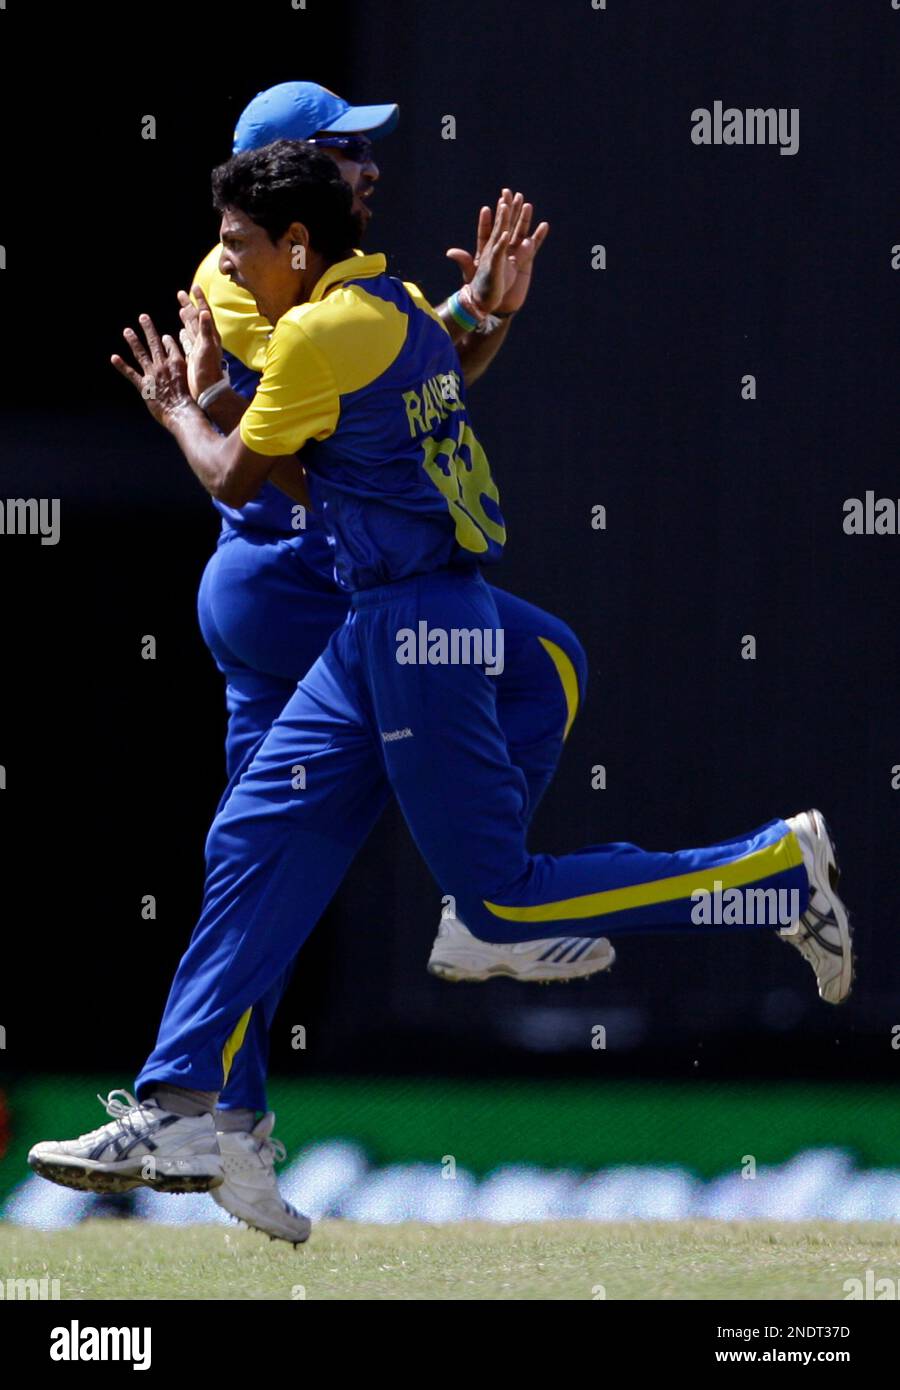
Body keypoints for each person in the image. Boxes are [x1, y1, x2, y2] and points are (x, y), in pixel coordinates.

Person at [28, 143, 853, 1245]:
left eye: (240, 243)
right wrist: (474, 304)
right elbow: (416, 353)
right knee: (250, 837)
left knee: (505, 893)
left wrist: (180, 400)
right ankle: (180, 1109)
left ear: (296, 247)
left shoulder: (324, 326)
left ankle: (770, 874)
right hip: (380, 623)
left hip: (416, 623)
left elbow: (232, 471)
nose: (227, 259)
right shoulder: (383, 306)